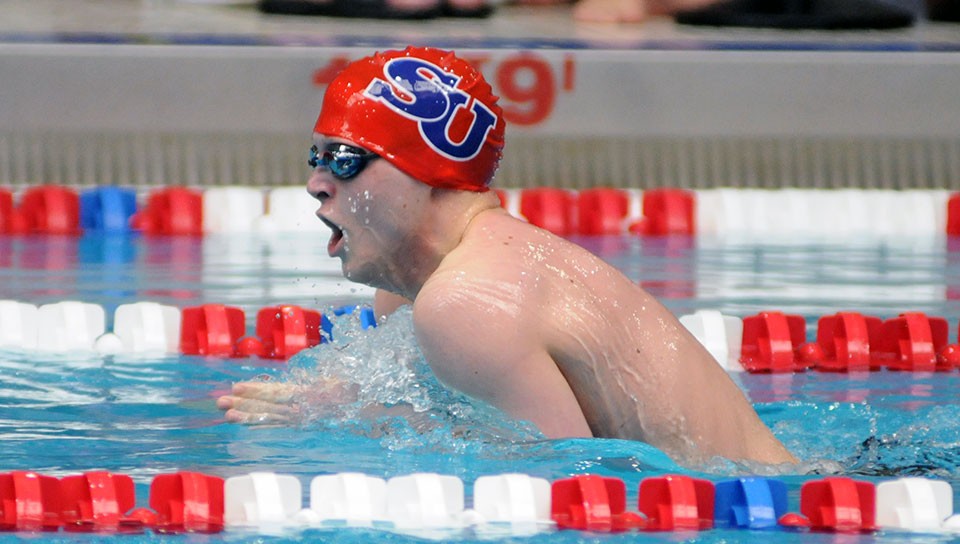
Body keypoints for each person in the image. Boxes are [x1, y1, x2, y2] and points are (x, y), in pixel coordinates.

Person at [216, 46, 797, 466]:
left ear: (426, 172)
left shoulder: (465, 300)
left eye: (343, 159)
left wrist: (342, 420)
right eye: (314, 158)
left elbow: (572, 480)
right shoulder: (423, 287)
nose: (318, 184)